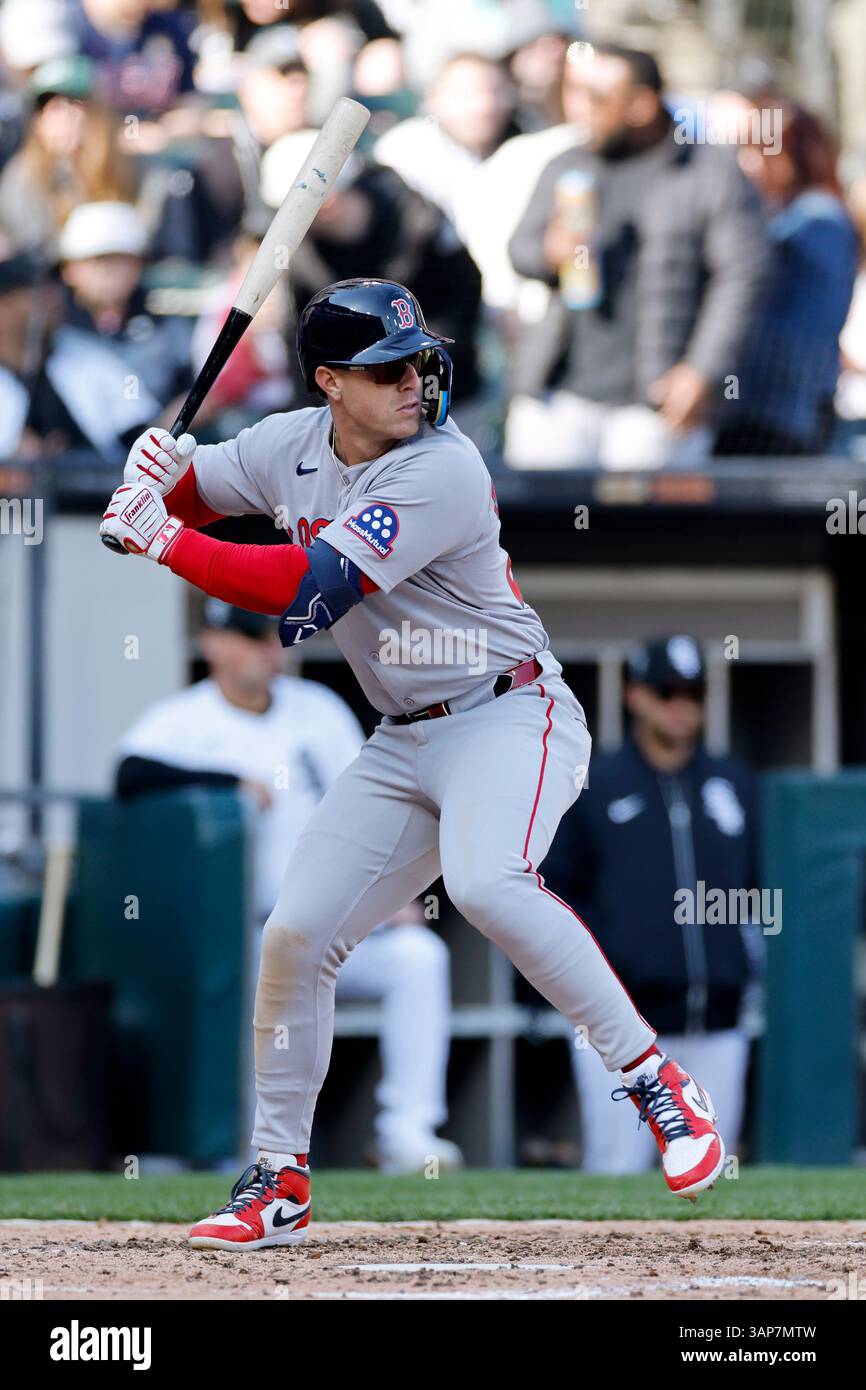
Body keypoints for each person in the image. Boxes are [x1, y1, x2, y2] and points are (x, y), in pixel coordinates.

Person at [100, 276, 726, 1251]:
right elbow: (187, 489)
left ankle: (655, 1081)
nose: (412, 380)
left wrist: (165, 539)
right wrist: (152, 469)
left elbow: (305, 587)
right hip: (402, 737)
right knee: (295, 936)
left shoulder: (441, 467)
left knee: (486, 881)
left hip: (508, 713)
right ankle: (280, 1178)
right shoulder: (284, 446)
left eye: (417, 361)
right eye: (383, 368)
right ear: (327, 382)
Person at [114, 599, 460, 1175]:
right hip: (246, 934)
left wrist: (395, 892)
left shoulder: (317, 711)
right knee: (253, 1005)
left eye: (270, 637)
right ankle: (255, 1158)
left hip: (334, 921)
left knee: (418, 958)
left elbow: (378, 806)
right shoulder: (184, 720)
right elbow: (129, 774)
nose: (264, 650)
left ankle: (406, 1133)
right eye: (249, 637)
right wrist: (229, 781)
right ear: (214, 645)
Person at [543, 636, 760, 1174]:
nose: (681, 705)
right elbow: (553, 893)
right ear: (636, 696)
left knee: (711, 1175)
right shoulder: (593, 783)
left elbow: (759, 890)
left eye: (692, 692)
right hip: (620, 1023)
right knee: (615, 1173)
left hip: (718, 1019)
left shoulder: (732, 782)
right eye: (667, 692)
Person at [505, 43, 768, 469]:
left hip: (656, 404)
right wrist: (549, 252)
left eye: (595, 97)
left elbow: (743, 277)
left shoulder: (709, 171)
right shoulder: (568, 163)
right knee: (543, 534)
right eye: (573, 92)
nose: (578, 108)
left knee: (641, 537)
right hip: (557, 396)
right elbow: (521, 251)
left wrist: (704, 370)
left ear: (642, 105)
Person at [714, 100, 858, 457]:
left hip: (779, 413)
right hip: (762, 409)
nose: (747, 163)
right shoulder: (786, 215)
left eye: (757, 151)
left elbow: (809, 331)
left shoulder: (819, 221)